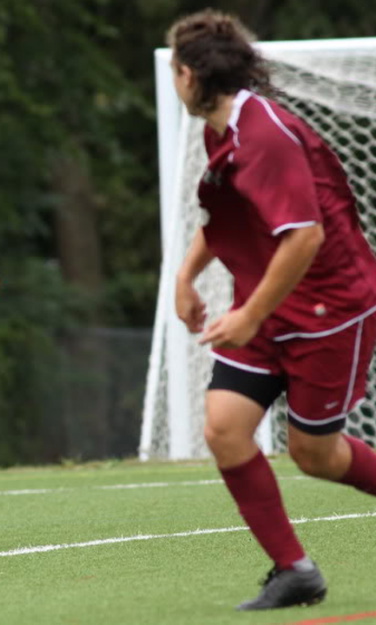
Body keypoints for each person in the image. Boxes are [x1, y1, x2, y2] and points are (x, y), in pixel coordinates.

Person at [168, 10, 376, 611]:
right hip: (268, 304)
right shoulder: (220, 126)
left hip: (329, 307)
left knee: (315, 455)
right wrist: (186, 276)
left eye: (176, 67)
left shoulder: (264, 133)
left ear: (188, 74)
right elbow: (228, 216)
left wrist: (251, 315)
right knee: (224, 428)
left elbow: (305, 236)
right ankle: (295, 570)